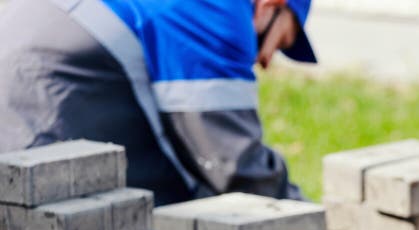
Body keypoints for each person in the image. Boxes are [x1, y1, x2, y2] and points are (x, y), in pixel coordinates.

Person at [0, 0, 315, 205]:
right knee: (174, 204)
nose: (265, 60)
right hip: (43, 102)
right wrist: (317, 226)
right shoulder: (220, 10)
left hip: (22, 74)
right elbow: (232, 165)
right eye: (278, 41)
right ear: (270, 5)